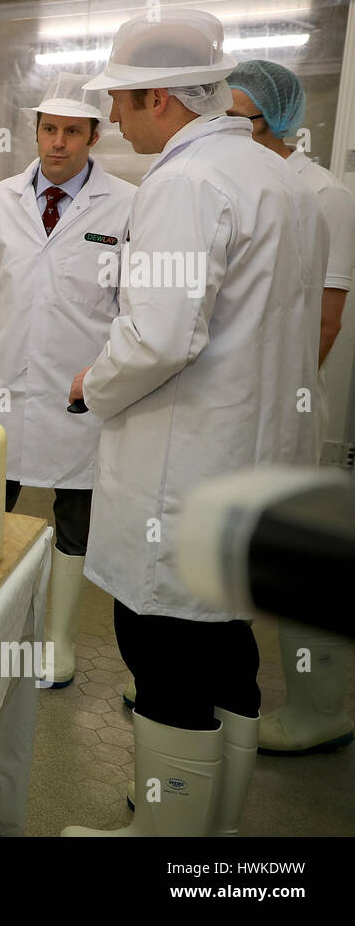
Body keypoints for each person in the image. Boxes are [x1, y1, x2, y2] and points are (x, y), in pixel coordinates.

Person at [62, 9, 328, 837]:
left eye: (121, 102)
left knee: (166, 655)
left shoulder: (185, 183)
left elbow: (160, 336)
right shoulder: (284, 180)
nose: (114, 121)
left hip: (184, 472)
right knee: (227, 653)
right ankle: (210, 835)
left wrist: (92, 383)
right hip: (255, 464)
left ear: (161, 100)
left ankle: (166, 836)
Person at [0, 72, 136, 688]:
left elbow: (129, 304)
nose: (58, 143)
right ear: (35, 131)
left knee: (77, 510)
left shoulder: (127, 204)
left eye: (71, 131)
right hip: (6, 379)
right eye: (48, 129)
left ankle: (58, 643)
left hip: (80, 386)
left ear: (94, 136)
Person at [226, 59, 354, 756]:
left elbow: (325, 321)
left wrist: (282, 398)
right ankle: (211, 684)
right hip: (247, 403)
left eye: (236, 118)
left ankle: (317, 710)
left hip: (289, 405)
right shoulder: (244, 181)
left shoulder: (325, 194)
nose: (224, 130)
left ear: (275, 121)